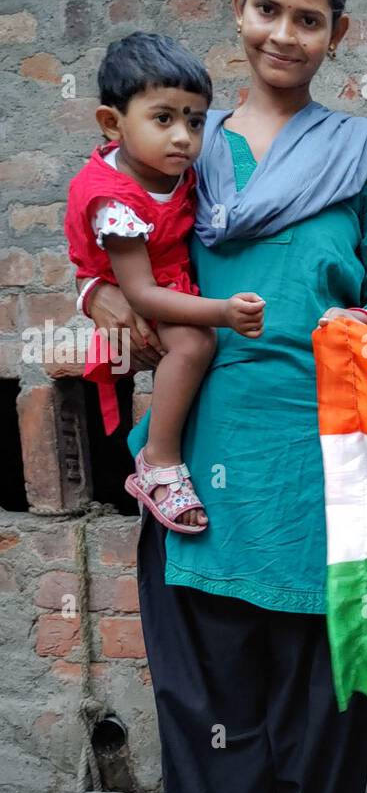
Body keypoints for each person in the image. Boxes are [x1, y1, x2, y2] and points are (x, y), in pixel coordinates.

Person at [80, 0, 367, 793]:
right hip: (198, 461)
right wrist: (107, 317)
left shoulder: (364, 157)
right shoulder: (183, 144)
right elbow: (102, 254)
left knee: (326, 688)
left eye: (307, 16)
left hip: (320, 454)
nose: (284, 32)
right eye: (267, 8)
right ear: (239, 10)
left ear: (335, 31)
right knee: (208, 693)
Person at [65, 32, 265, 534]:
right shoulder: (115, 201)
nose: (183, 137)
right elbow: (140, 293)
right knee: (194, 343)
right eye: (163, 119)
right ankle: (159, 460)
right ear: (113, 124)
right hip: (137, 289)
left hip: (164, 280)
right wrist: (222, 313)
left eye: (194, 122)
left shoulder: (173, 166)